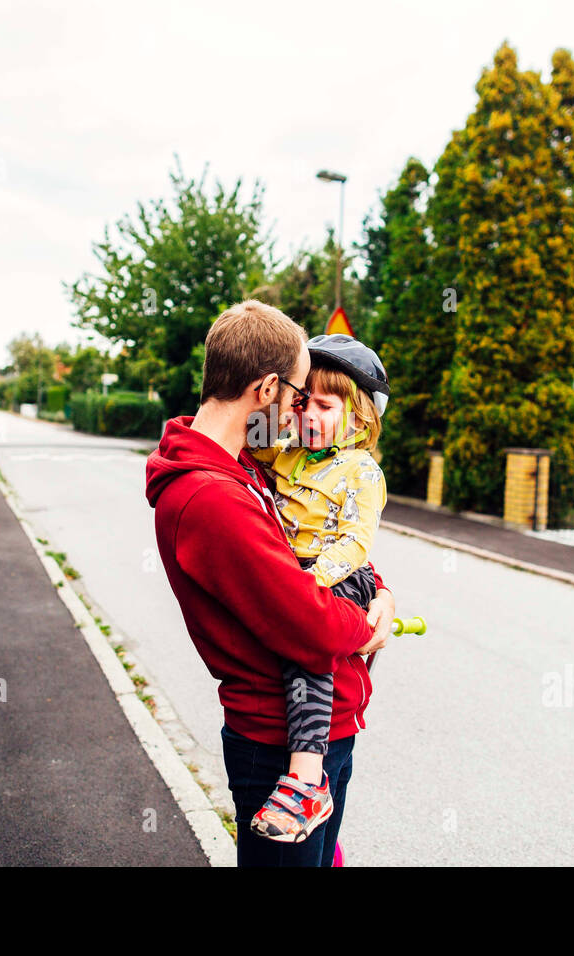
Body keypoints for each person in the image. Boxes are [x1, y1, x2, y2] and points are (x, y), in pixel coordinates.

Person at [145, 300, 395, 867]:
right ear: (266, 389)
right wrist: (366, 628)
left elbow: (318, 536)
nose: (301, 409)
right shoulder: (213, 497)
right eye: (299, 394)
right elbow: (308, 623)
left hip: (323, 726)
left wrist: (377, 589)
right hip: (278, 739)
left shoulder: (243, 468)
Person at [245, 334, 390, 843]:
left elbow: (355, 542)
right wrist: (280, 405)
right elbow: (252, 444)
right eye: (303, 400)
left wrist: (308, 583)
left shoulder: (360, 471)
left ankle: (307, 780)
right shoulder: (291, 454)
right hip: (299, 571)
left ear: (360, 420)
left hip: (336, 573)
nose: (307, 412)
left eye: (323, 405)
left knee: (309, 645)